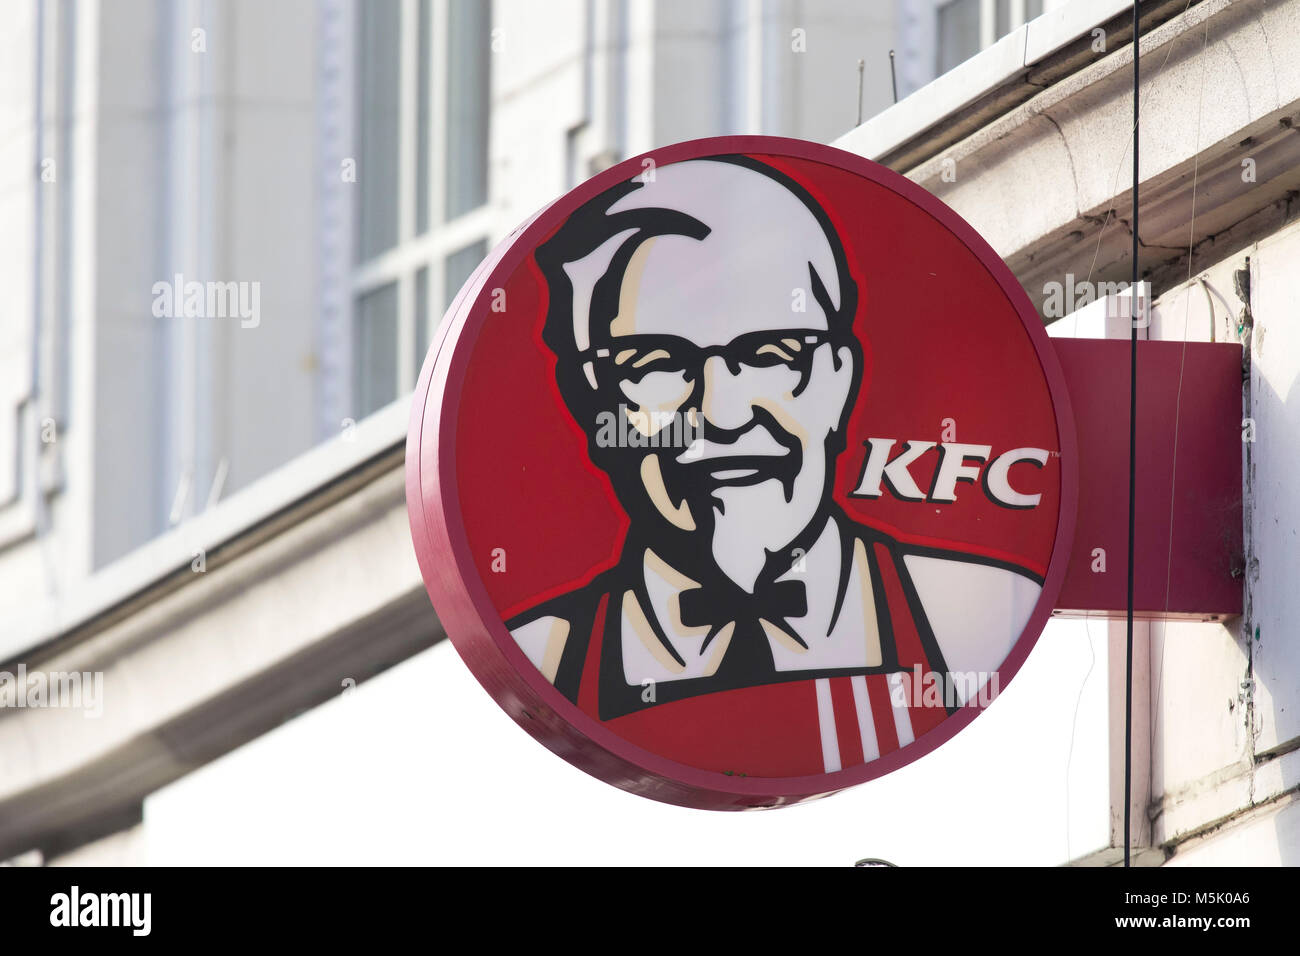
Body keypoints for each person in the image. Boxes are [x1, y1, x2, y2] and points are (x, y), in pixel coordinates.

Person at [507, 156, 1042, 777]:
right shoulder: (542, 659)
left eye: (770, 353)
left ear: (840, 381)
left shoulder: (975, 613)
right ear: (593, 407)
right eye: (653, 363)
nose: (724, 413)